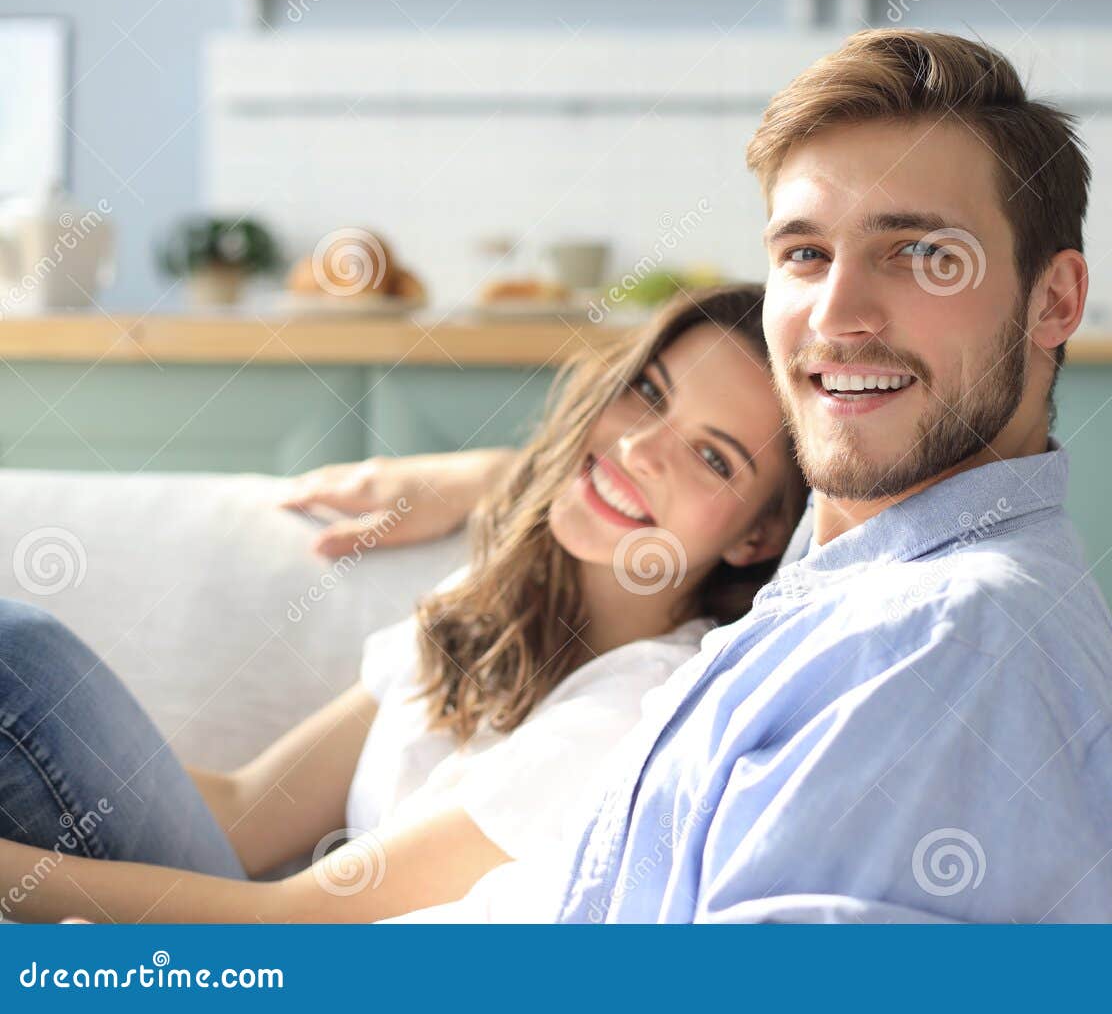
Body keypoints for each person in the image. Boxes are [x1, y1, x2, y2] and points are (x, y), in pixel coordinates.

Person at [334, 29, 1112, 923]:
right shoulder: (859, 565)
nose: (837, 314)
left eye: (922, 254)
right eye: (805, 254)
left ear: (1054, 300)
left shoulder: (943, 642)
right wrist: (499, 476)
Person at [0, 285, 807, 923]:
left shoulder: (634, 713)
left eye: (711, 455)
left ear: (755, 537)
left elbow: (297, 923)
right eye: (647, 393)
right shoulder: (498, 602)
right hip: (266, 923)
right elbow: (246, 816)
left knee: (18, 654)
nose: (638, 447)